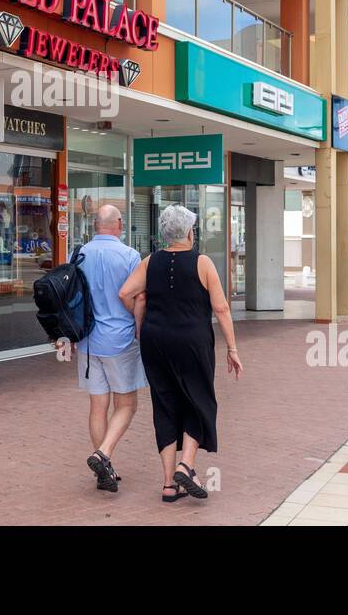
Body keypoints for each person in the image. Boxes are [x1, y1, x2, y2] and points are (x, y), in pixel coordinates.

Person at [120, 205, 242, 503]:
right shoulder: (203, 263)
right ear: (190, 232)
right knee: (199, 399)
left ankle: (168, 484)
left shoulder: (150, 262)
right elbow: (222, 308)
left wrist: (140, 318)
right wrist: (232, 348)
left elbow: (125, 293)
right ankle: (186, 466)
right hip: (192, 342)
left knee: (164, 404)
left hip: (155, 341)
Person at [56, 205, 144, 494]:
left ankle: (105, 468)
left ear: (95, 225)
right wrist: (138, 326)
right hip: (120, 340)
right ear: (118, 224)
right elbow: (137, 297)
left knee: (98, 407)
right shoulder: (130, 256)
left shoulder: (78, 255)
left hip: (88, 341)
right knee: (127, 404)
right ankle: (103, 454)